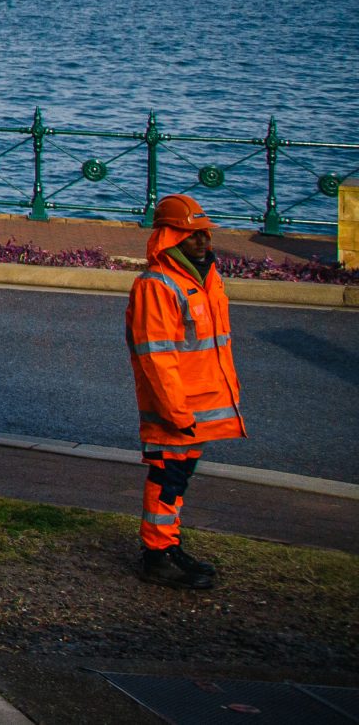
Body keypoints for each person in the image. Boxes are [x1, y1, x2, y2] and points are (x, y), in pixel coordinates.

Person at [126, 193, 243, 589]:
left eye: (204, 235)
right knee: (166, 477)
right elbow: (156, 357)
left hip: (196, 410)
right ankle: (156, 556)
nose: (201, 242)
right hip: (175, 411)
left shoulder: (204, 280)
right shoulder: (157, 285)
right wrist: (177, 412)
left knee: (177, 479)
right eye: (190, 235)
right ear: (168, 237)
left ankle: (167, 547)